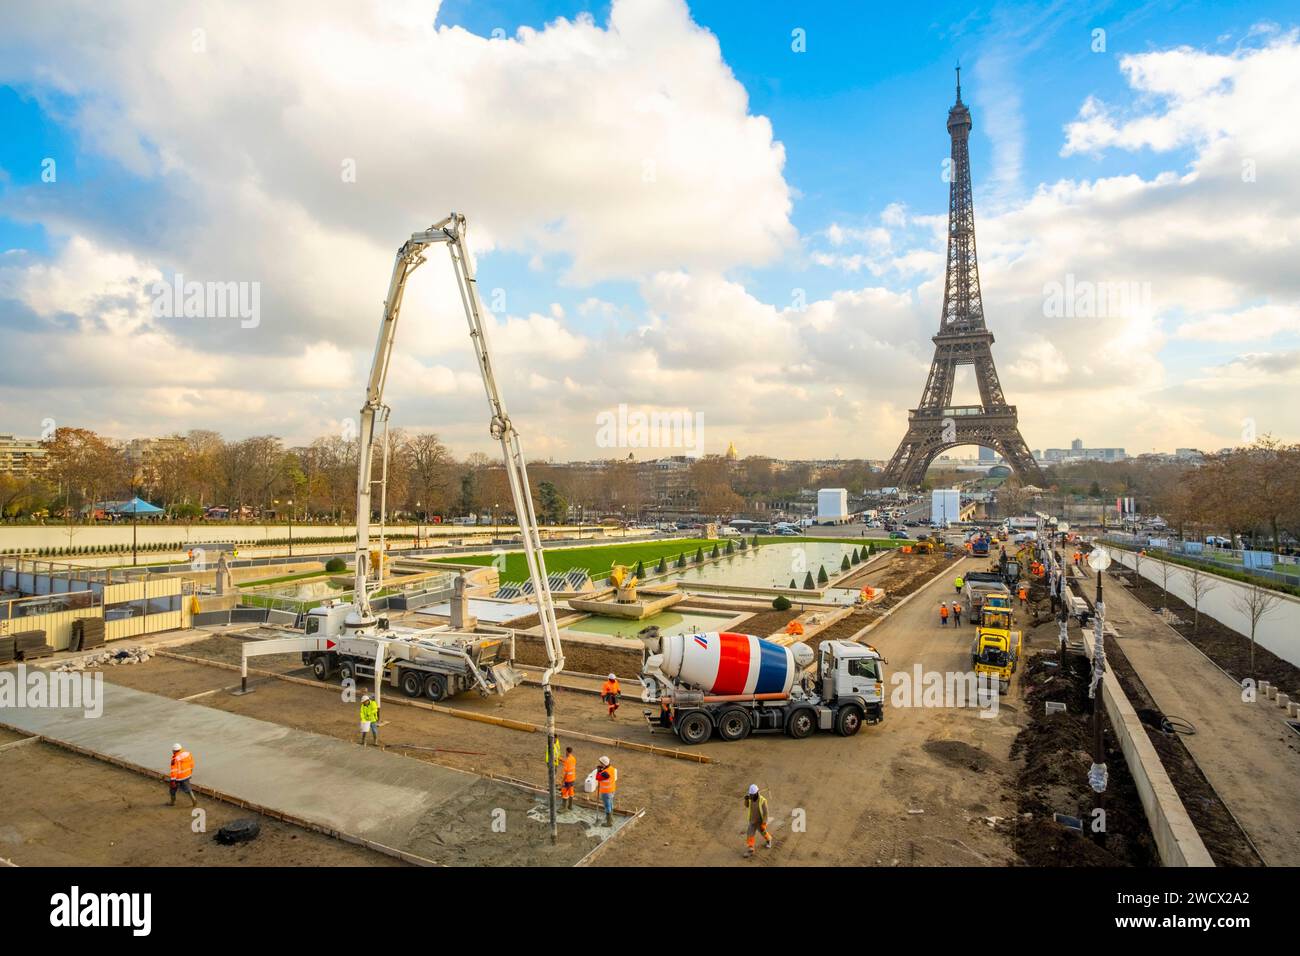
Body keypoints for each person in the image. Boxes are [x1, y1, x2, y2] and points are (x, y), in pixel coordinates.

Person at [743, 784, 772, 857]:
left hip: (760, 821)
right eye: (750, 795)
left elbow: (766, 813)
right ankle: (751, 848)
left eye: (752, 795)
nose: (751, 796)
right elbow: (746, 806)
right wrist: (746, 800)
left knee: (763, 833)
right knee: (750, 834)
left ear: (756, 793)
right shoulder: (750, 799)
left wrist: (764, 823)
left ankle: (769, 840)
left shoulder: (763, 800)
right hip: (752, 821)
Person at [168, 742, 197, 807]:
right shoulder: (188, 754)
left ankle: (172, 802)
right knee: (188, 789)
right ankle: (194, 799)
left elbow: (174, 771)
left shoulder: (175, 759)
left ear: (174, 751)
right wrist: (190, 772)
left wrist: (173, 781)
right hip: (187, 774)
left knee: (172, 789)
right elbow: (192, 764)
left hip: (179, 777)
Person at [595, 756, 617, 826]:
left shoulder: (605, 773)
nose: (600, 764)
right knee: (610, 805)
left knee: (607, 806)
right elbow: (605, 773)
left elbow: (597, 778)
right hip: (612, 790)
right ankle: (611, 819)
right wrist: (601, 769)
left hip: (606, 792)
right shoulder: (611, 769)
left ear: (604, 764)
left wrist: (598, 771)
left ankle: (609, 822)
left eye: (601, 763)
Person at [560, 746, 577, 811]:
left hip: (567, 779)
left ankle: (564, 808)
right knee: (571, 792)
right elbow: (569, 763)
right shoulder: (573, 759)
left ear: (567, 751)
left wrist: (562, 781)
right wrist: (561, 759)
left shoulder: (567, 761)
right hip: (572, 778)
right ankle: (570, 806)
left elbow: (566, 773)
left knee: (564, 793)